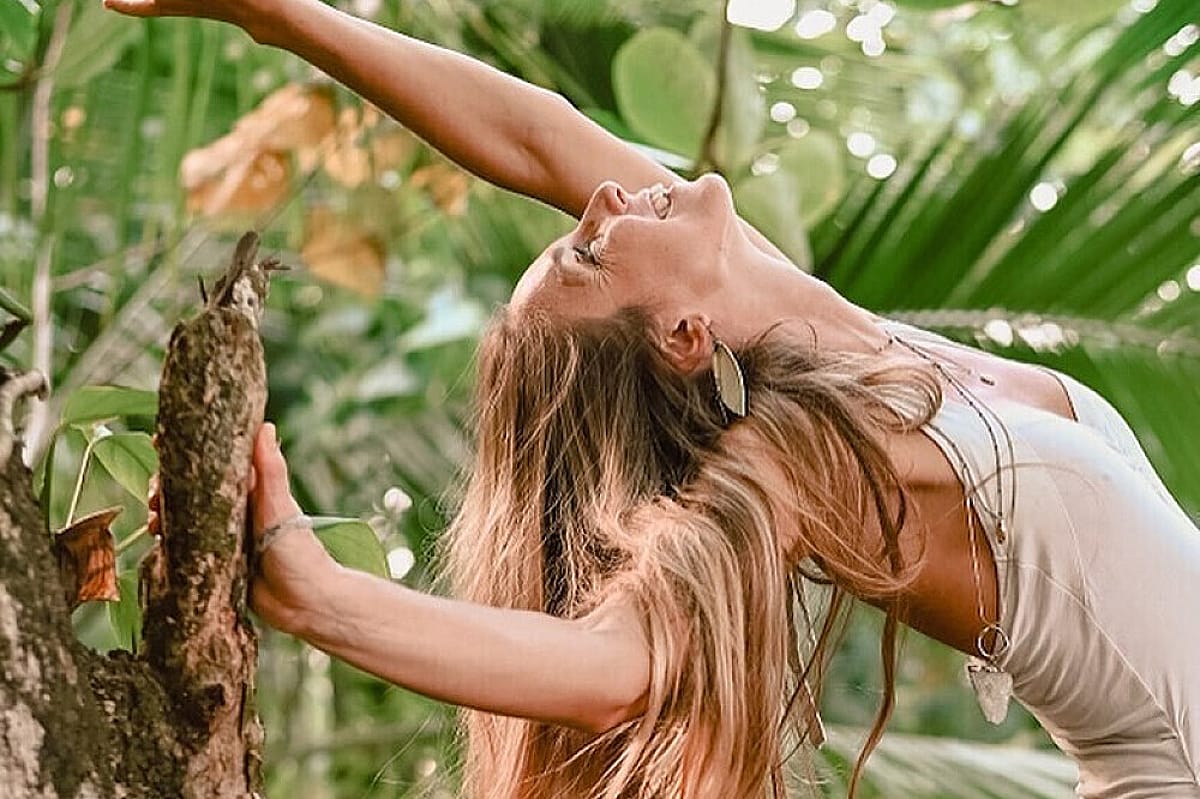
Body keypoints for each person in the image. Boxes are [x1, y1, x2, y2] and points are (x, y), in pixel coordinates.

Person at [107, 1, 1200, 797]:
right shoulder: (806, 452)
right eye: (591, 251)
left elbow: (535, 135)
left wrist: (277, 14)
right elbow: (617, 666)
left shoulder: (825, 330)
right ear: (682, 335)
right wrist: (317, 596)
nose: (597, 197)